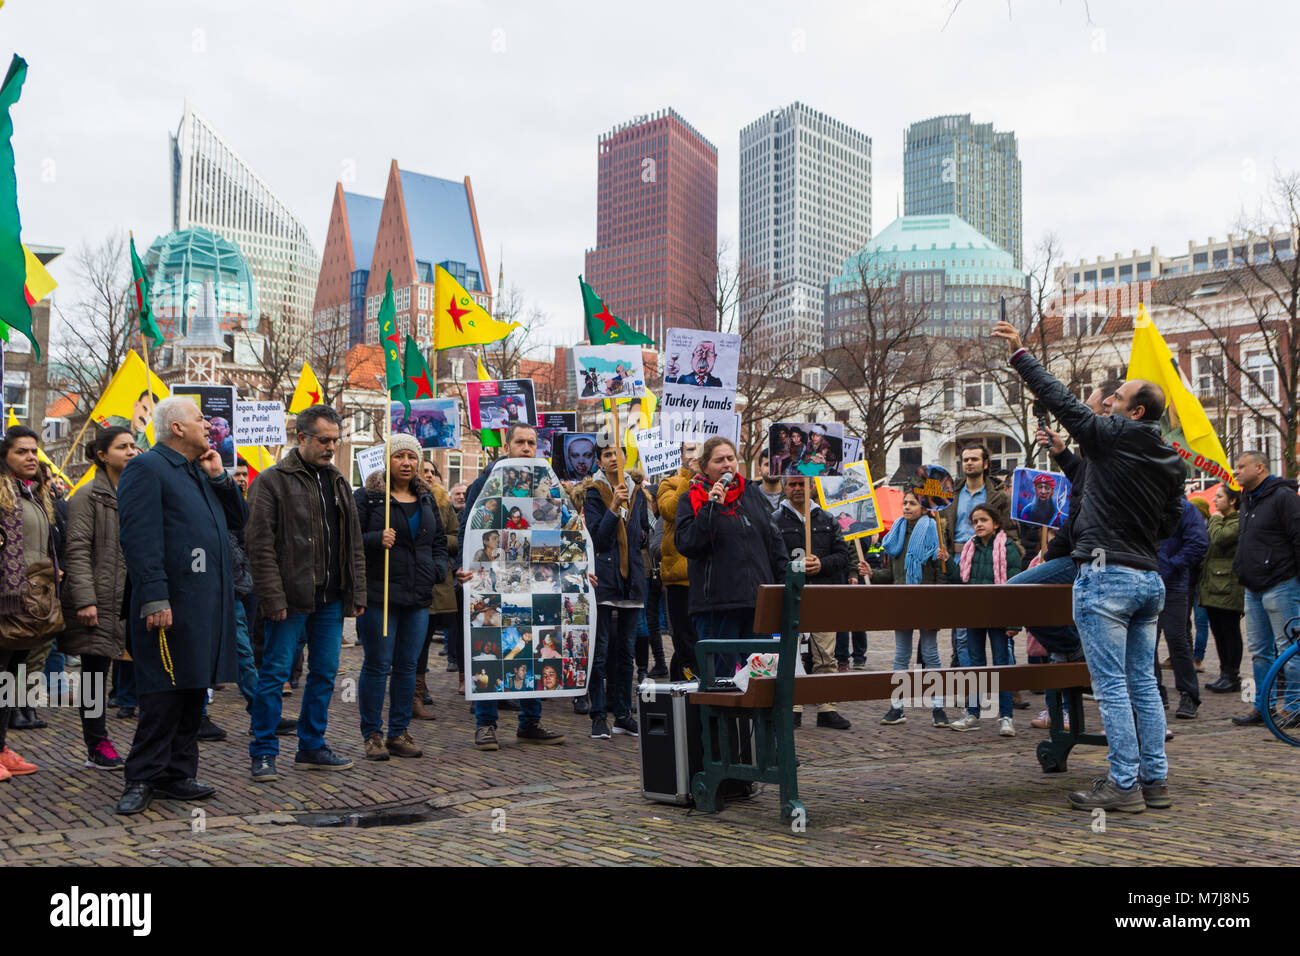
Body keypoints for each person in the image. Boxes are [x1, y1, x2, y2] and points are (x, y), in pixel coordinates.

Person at [995, 319, 1184, 813]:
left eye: (1116, 400)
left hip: (1107, 578)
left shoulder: (1114, 435)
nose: (1107, 404)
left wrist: (1021, 355)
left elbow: (1062, 400)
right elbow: (1168, 521)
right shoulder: (1168, 458)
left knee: (1113, 686)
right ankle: (1154, 779)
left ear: (1135, 411)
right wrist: (1066, 457)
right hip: (1147, 580)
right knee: (1141, 681)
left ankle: (1123, 783)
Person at [112, 399, 248, 814]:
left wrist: (221, 478)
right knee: (163, 692)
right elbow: (140, 538)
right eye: (199, 419)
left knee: (193, 690)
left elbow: (238, 520)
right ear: (175, 427)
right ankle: (143, 776)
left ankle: (176, 772)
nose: (208, 425)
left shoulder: (197, 471)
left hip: (205, 603)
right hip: (169, 603)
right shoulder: (146, 469)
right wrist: (154, 594)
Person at [245, 405, 367, 782]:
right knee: (275, 674)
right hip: (290, 598)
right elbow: (259, 545)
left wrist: (357, 590)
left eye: (336, 439)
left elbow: (353, 543)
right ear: (302, 438)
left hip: (330, 599)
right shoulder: (271, 481)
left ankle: (311, 745)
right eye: (325, 440)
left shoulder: (337, 481)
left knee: (325, 673)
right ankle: (264, 751)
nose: (332, 447)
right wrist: (273, 598)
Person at [455, 423, 566, 750]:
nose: (527, 447)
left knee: (533, 650)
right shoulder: (485, 482)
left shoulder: (546, 484)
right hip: (492, 579)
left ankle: (530, 722)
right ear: (508, 445)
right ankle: (486, 724)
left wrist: (574, 569)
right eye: (521, 442)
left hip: (533, 580)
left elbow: (558, 531)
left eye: (532, 442)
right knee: (489, 648)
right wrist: (461, 567)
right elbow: (468, 528)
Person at [353, 433, 448, 760]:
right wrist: (374, 538)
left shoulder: (426, 498)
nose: (406, 463)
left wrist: (438, 569)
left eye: (411, 457)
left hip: (417, 596)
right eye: (399, 456)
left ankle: (398, 732)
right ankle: (372, 734)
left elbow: (436, 541)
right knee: (379, 664)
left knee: (408, 666)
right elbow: (349, 540)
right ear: (387, 460)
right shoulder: (369, 498)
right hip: (379, 595)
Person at [674, 437, 788, 685]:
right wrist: (711, 506)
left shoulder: (752, 495)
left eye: (730, 458)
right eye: (719, 460)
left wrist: (783, 587)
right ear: (704, 467)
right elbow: (689, 544)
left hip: (756, 604)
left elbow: (774, 542)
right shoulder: (690, 501)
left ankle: (759, 725)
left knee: (762, 681)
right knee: (722, 684)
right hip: (717, 607)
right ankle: (720, 725)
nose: (727, 465)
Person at [60, 426, 140, 771]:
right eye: (123, 446)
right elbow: (76, 550)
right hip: (101, 598)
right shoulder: (87, 496)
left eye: (134, 445)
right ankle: (97, 743)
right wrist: (85, 600)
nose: (132, 451)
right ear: (103, 455)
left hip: (134, 598)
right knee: (95, 674)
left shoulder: (139, 493)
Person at [0, 426, 57, 783]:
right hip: (5, 600)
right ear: (5, 456)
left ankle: (2, 746)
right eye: (22, 451)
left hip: (30, 603)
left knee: (11, 677)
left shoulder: (34, 495)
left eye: (34, 451)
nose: (31, 458)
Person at [773, 475, 852, 729]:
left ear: (812, 486)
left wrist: (822, 564)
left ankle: (826, 706)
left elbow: (842, 556)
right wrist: (793, 568)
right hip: (790, 596)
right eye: (792, 484)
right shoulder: (774, 521)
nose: (797, 489)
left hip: (821, 596)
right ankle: (792, 706)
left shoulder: (828, 520)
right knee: (791, 654)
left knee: (825, 653)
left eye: (802, 484)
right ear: (785, 487)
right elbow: (771, 560)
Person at [870, 489, 953, 727]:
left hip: (926, 601)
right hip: (902, 600)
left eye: (912, 503)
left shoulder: (934, 531)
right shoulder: (895, 534)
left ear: (924, 508)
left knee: (930, 654)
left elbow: (941, 573)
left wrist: (938, 601)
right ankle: (897, 708)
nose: (906, 507)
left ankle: (938, 707)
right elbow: (891, 575)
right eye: (904, 503)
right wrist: (872, 574)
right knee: (901, 655)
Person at [1230, 450, 1300, 727]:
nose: (1236, 471)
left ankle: (1294, 707)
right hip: (1253, 587)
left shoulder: (1283, 497)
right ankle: (1263, 707)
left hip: (1281, 584)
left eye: (1241, 466)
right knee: (1259, 651)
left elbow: (1297, 538)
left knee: (1289, 649)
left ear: (1260, 468)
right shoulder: (1247, 499)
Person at [585, 444, 649, 739]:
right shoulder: (594, 492)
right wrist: (613, 509)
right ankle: (599, 714)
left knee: (626, 652)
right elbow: (598, 538)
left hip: (631, 580)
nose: (613, 458)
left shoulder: (638, 493)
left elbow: (642, 534)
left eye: (617, 453)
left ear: (626, 458)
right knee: (600, 653)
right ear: (600, 461)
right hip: (606, 579)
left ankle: (623, 713)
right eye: (607, 454)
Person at [944, 503, 1022, 735]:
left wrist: (1014, 621)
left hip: (999, 614)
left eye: (983, 520)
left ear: (995, 524)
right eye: (975, 521)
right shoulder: (970, 548)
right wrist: (948, 561)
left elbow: (1016, 585)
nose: (978, 524)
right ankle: (972, 713)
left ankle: (1006, 716)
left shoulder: (1009, 548)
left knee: (1002, 664)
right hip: (974, 613)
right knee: (974, 664)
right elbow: (961, 580)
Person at [940, 442, 1018, 670]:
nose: (969, 463)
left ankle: (1008, 687)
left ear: (985, 464)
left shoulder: (999, 496)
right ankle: (970, 685)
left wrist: (1014, 553)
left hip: (994, 562)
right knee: (963, 629)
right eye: (965, 459)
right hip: (959, 562)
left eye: (974, 459)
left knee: (1000, 625)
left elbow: (1011, 531)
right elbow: (943, 528)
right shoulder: (950, 494)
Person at [1155, 497, 1208, 719]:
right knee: (1145, 642)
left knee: (1177, 639)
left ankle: (1189, 694)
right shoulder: (1145, 502)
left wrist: (1171, 564)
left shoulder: (1185, 509)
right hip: (1146, 580)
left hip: (1174, 585)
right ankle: (1155, 693)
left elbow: (1198, 543)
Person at [657, 443, 700, 681]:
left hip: (710, 578)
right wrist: (688, 477)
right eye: (690, 450)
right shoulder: (670, 483)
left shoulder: (720, 484)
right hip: (681, 579)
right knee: (685, 642)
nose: (695, 455)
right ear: (681, 455)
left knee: (704, 642)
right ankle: (685, 694)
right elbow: (670, 510)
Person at [1200, 485, 1244, 694]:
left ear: (1233, 500)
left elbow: (1219, 537)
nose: (1215, 501)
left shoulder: (1237, 521)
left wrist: (1215, 518)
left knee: (1230, 630)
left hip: (1228, 586)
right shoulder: (1222, 521)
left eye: (1219, 497)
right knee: (1217, 631)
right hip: (1213, 585)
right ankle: (1224, 672)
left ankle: (1232, 674)